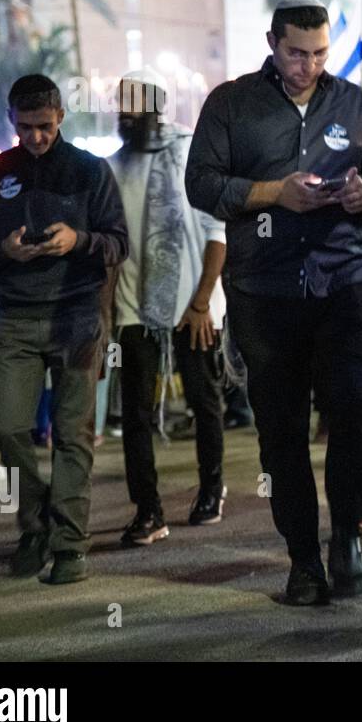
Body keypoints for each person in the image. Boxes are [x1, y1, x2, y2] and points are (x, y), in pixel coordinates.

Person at [185, 0, 362, 606]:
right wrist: (272, 192)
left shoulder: (356, 103)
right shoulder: (231, 104)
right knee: (281, 433)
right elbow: (200, 183)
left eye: (319, 54)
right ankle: (303, 560)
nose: (308, 65)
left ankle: (349, 543)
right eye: (296, 53)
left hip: (346, 285)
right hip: (265, 291)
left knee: (358, 418)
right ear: (272, 44)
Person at [0, 74, 129, 583]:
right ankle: (33, 529)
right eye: (26, 126)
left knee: (72, 437)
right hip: (15, 317)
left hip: (77, 316)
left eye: (45, 125)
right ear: (11, 120)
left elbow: (119, 243)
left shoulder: (90, 171)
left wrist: (78, 240)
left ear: (60, 116)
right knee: (10, 430)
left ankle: (70, 544)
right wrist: (3, 251)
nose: (36, 136)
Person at [108, 71, 229, 546]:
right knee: (134, 413)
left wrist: (201, 303)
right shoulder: (113, 167)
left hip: (191, 307)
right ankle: (148, 510)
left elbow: (217, 233)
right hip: (134, 309)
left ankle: (211, 489)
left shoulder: (191, 152)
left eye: (133, 108)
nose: (125, 117)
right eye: (120, 108)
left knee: (204, 401)